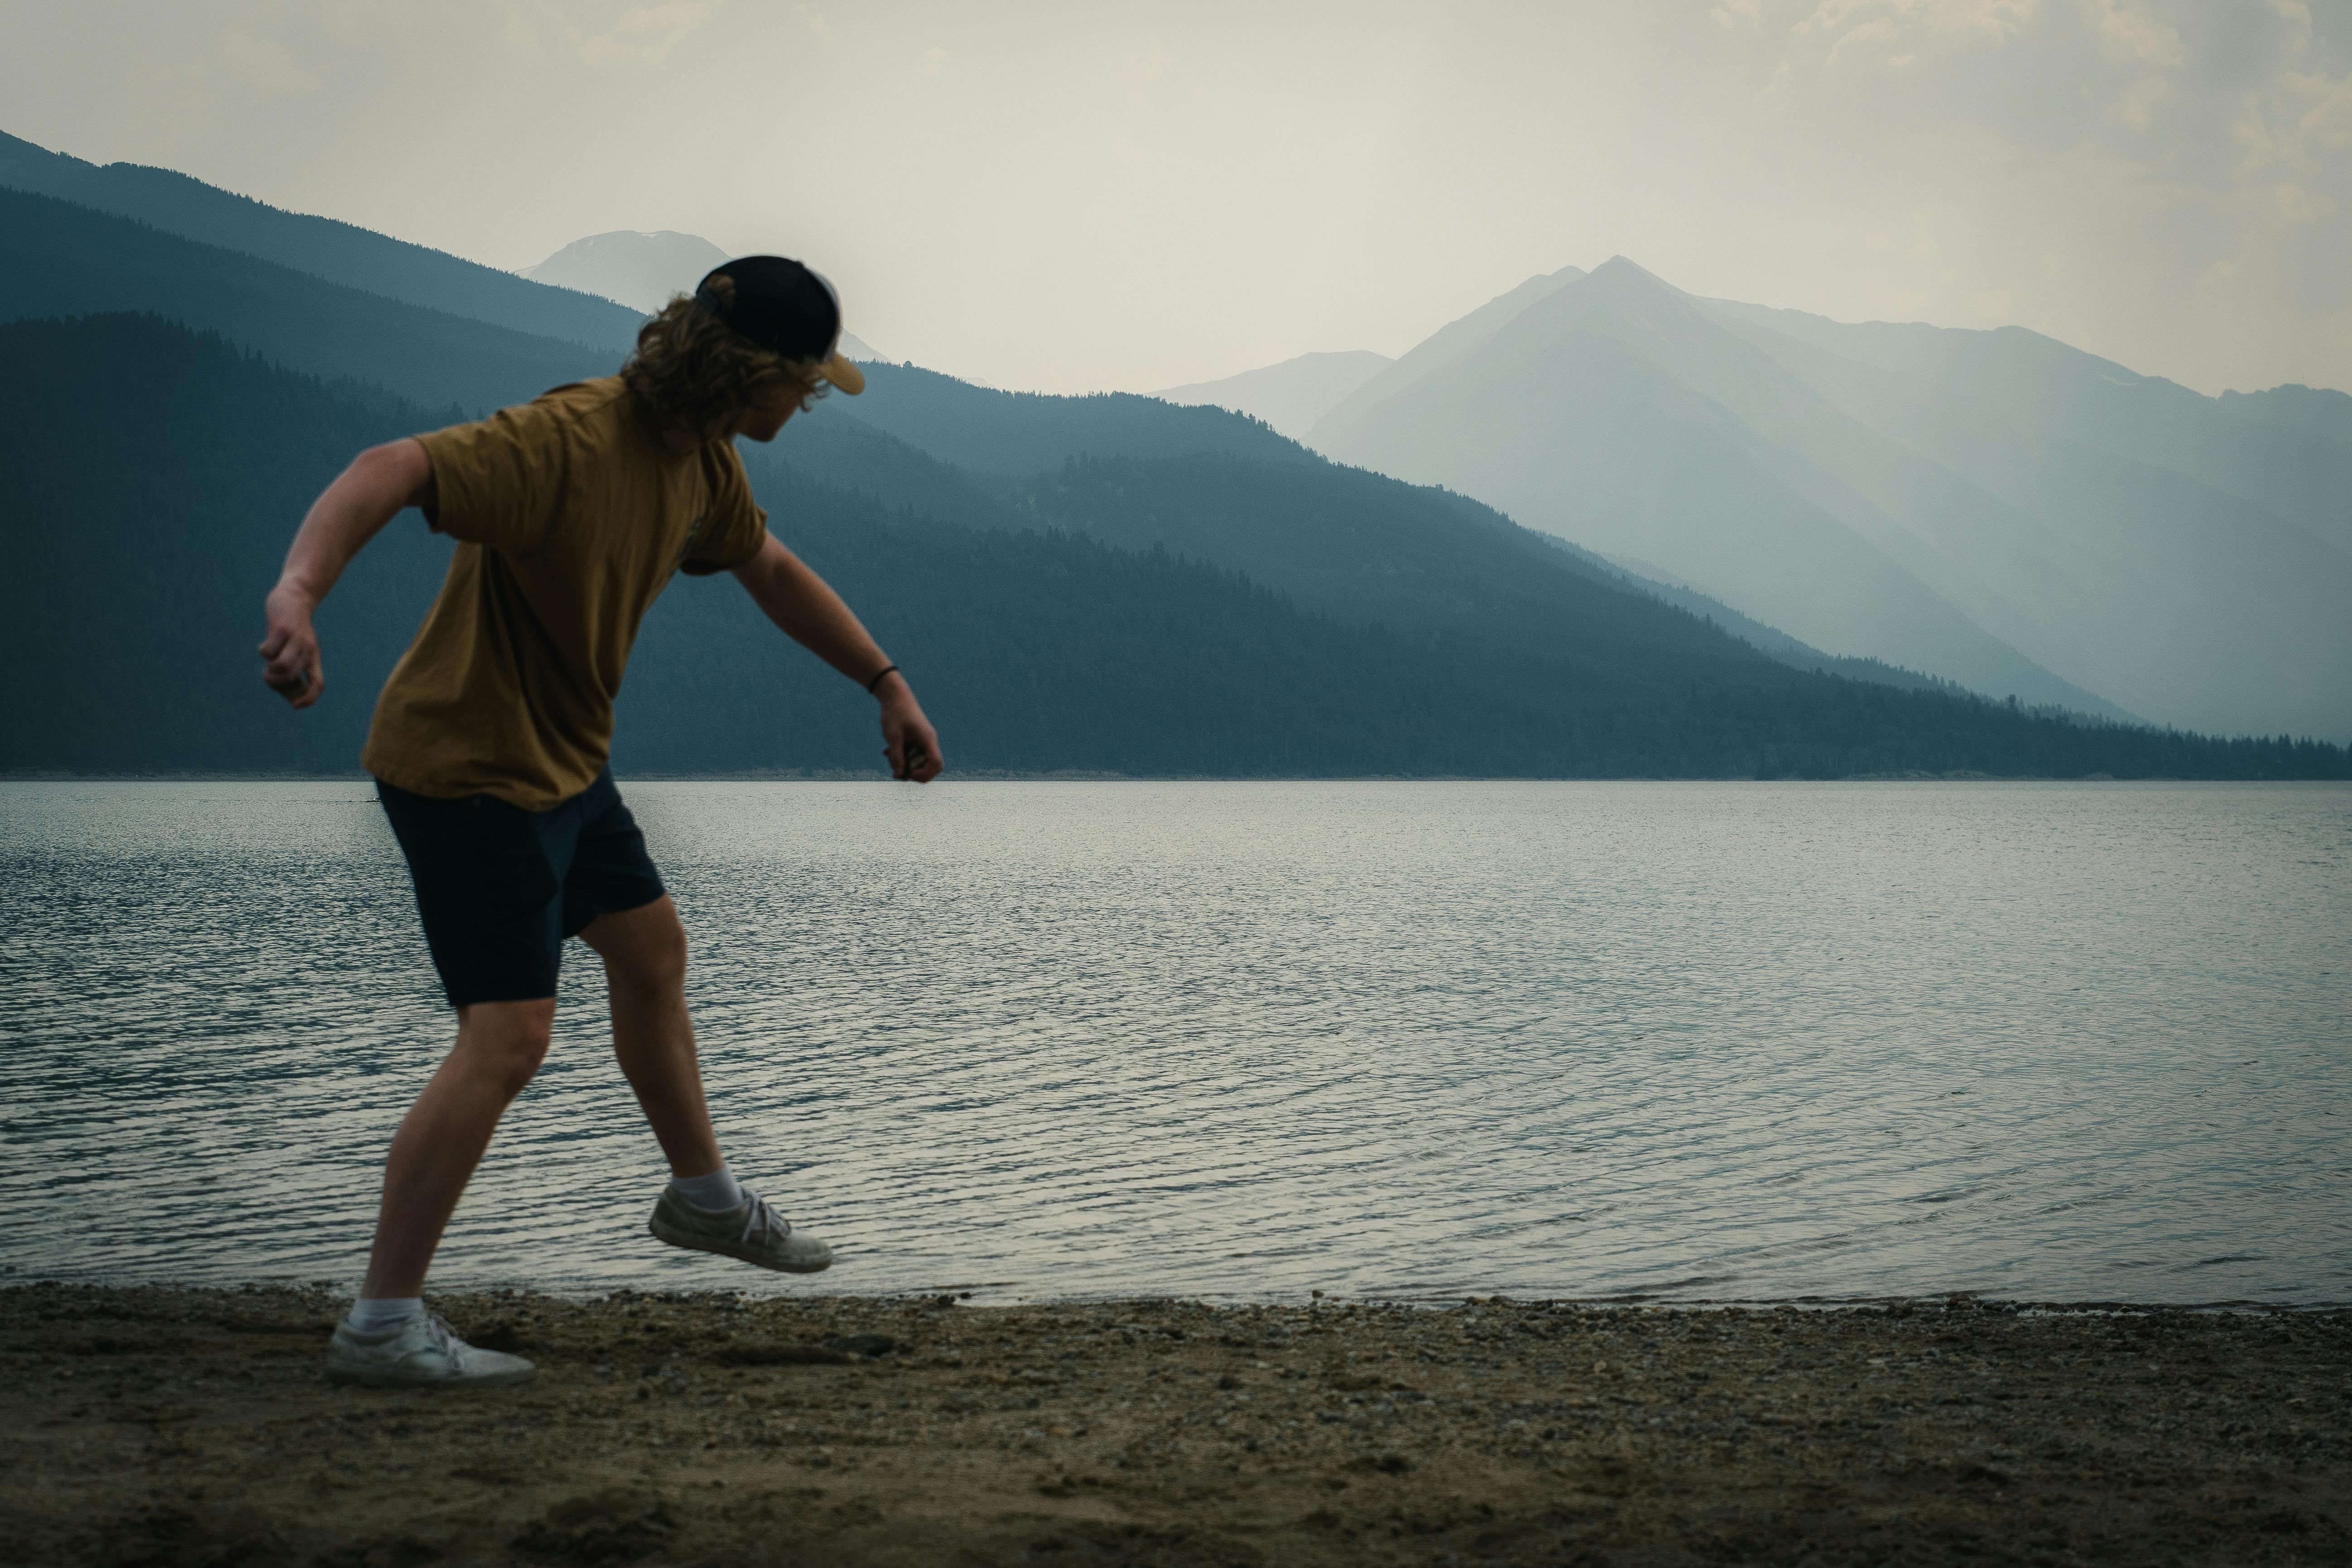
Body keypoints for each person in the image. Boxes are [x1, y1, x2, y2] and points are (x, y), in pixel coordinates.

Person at [258, 256, 942, 1390]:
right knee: (511, 1037)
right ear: (750, 376)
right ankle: (381, 1323)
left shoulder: (702, 465)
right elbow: (392, 468)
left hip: (565, 768)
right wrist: (298, 593)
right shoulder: (568, 441)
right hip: (467, 767)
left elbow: (766, 567)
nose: (805, 408)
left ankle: (702, 1199)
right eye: (802, 387)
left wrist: (883, 682)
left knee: (650, 949)